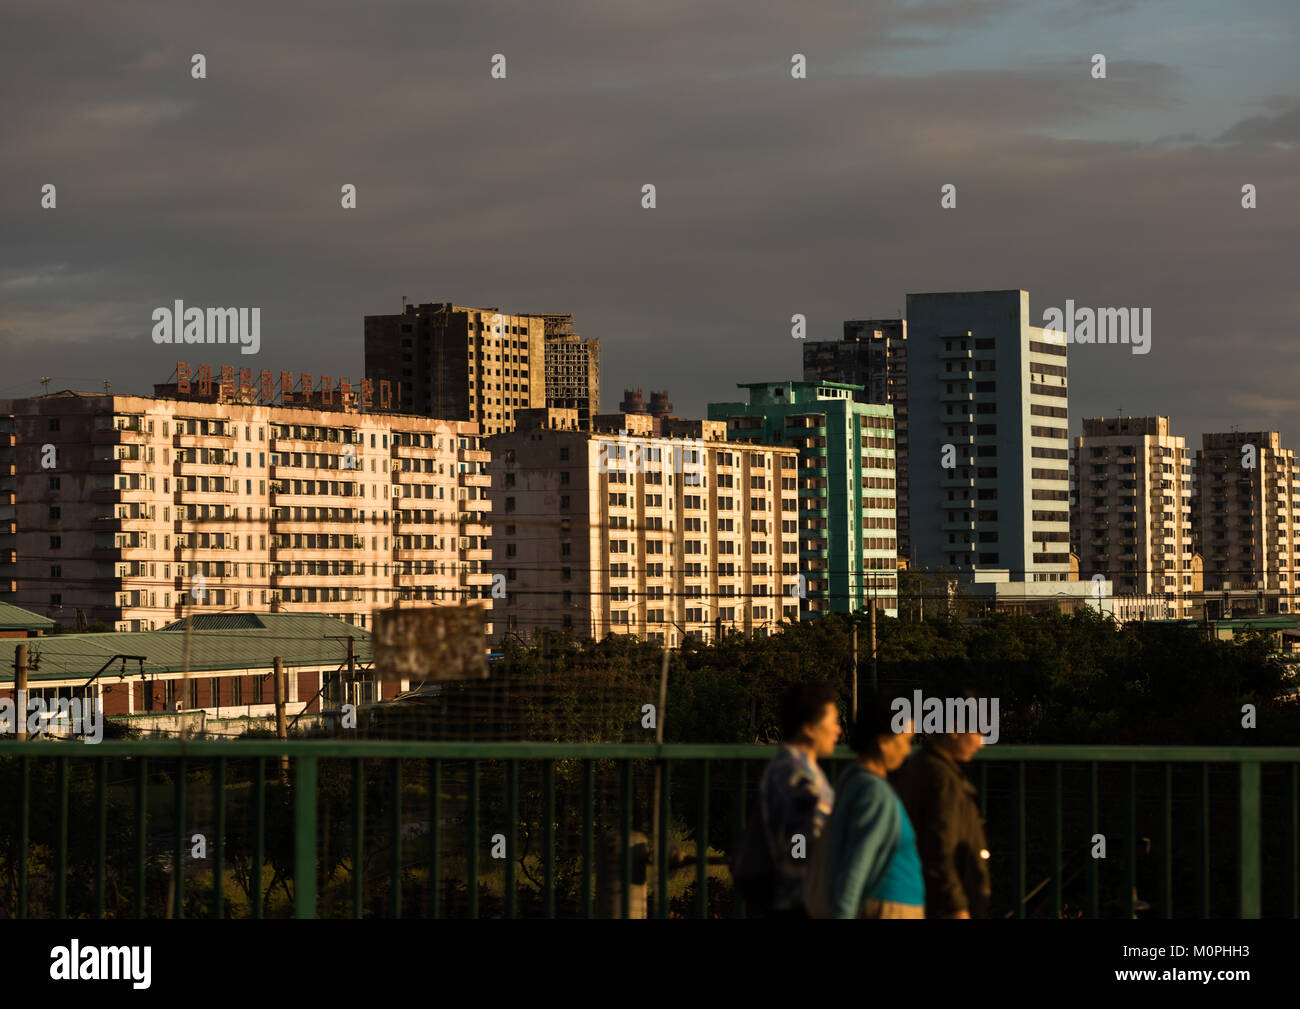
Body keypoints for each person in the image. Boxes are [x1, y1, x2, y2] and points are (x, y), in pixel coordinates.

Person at [825, 691, 923, 918]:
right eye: (905, 741)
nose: (908, 750)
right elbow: (857, 865)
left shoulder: (851, 781)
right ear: (883, 742)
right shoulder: (875, 793)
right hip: (891, 907)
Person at [894, 697, 992, 919]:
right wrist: (956, 905)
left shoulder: (926, 768)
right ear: (955, 729)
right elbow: (940, 848)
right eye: (978, 733)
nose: (981, 743)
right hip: (947, 907)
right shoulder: (942, 778)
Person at [757, 683, 840, 917]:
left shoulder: (790, 765)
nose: (838, 730)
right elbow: (798, 846)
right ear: (809, 728)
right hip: (801, 903)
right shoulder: (798, 776)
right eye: (833, 722)